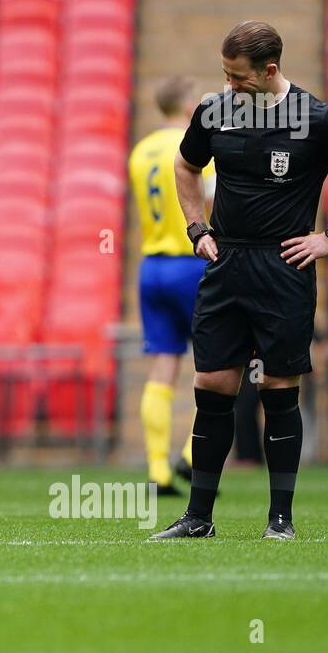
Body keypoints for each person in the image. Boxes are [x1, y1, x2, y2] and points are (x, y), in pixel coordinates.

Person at [152, 21, 328, 540]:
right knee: (211, 387)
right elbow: (186, 166)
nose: (230, 85)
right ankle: (198, 518)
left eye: (238, 77)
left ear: (271, 70)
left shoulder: (320, 119)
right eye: (225, 75)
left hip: (284, 268)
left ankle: (279, 521)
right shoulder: (214, 111)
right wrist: (196, 229)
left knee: (279, 390)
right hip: (227, 263)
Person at [128, 76, 216, 495]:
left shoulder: (140, 151)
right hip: (192, 263)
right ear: (187, 108)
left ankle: (156, 471)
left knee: (163, 365)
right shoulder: (195, 145)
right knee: (221, 363)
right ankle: (192, 456)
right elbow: (212, 199)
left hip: (152, 268)